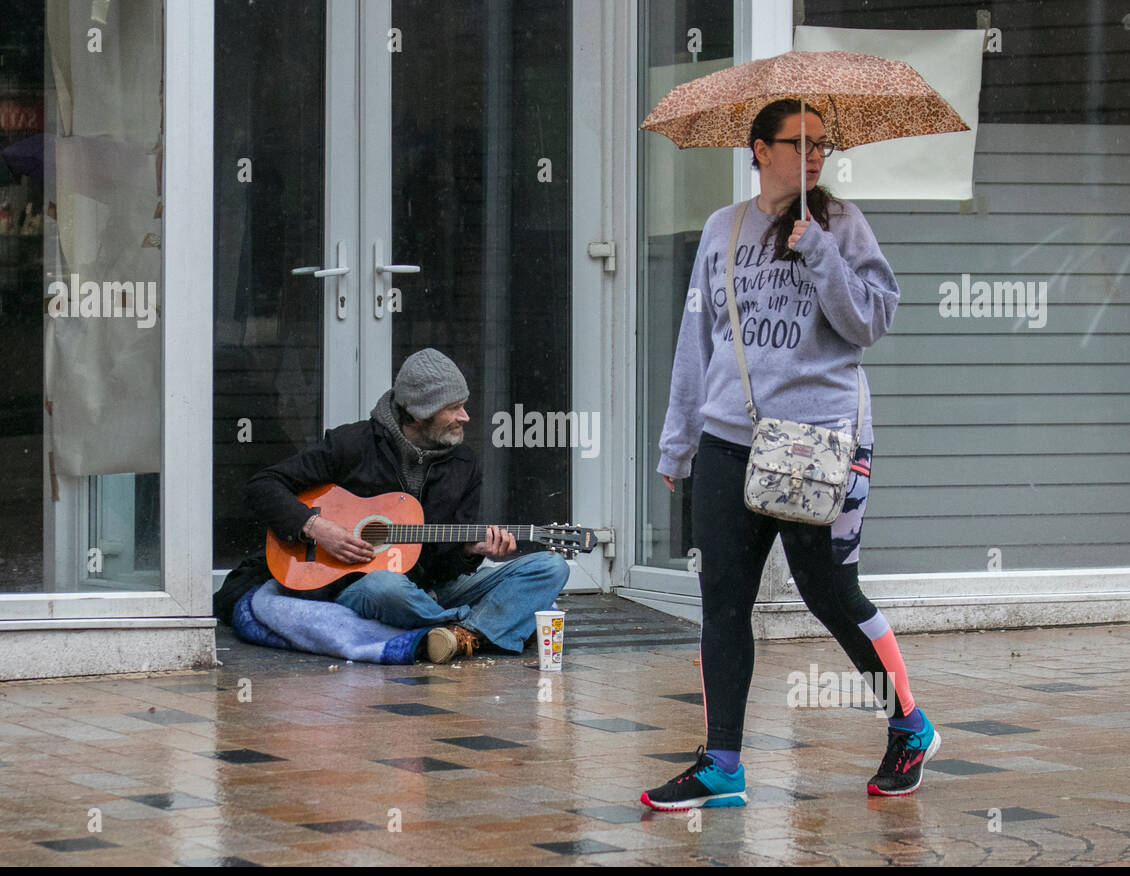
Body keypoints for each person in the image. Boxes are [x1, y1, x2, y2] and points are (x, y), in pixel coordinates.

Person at [642, 100, 940, 810]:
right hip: (729, 440)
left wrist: (820, 255)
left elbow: (869, 322)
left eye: (821, 144)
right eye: (798, 143)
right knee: (722, 602)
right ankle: (721, 762)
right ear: (758, 149)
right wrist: (677, 442)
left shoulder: (842, 225)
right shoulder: (722, 229)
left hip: (821, 443)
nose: (814, 156)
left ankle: (909, 723)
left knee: (829, 592)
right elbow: (698, 343)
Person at [244, 347, 570, 664]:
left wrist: (470, 552)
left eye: (464, 405)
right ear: (417, 412)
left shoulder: (463, 464)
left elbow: (447, 570)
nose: (465, 417)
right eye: (453, 407)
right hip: (362, 586)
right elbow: (263, 486)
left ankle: (462, 634)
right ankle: (480, 625)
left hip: (434, 588)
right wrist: (315, 527)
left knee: (551, 567)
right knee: (386, 585)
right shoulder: (352, 445)